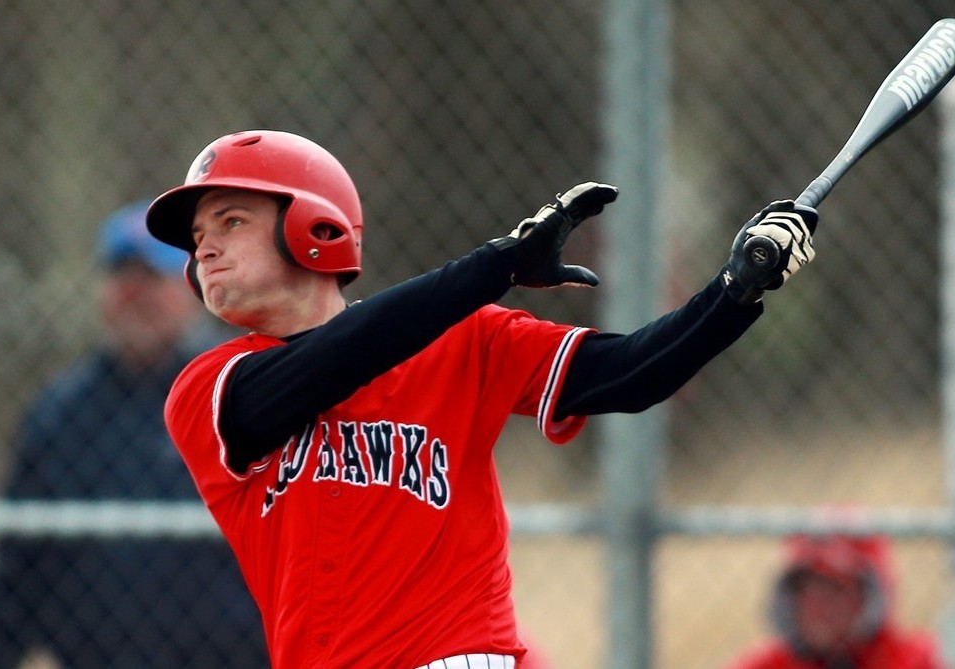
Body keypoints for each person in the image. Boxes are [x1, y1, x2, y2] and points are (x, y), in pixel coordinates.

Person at [143, 129, 817, 669]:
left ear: (313, 228)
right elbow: (337, 357)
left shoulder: (466, 340)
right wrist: (494, 265)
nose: (207, 248)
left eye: (230, 221)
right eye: (199, 237)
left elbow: (631, 372)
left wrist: (734, 291)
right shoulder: (206, 388)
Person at [0, 201, 269, 669]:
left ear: (192, 285)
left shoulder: (241, 387)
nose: (137, 295)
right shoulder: (63, 410)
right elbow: (19, 559)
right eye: (122, 279)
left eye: (152, 280)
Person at [721, 533, 946, 669]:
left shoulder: (922, 661)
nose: (817, 606)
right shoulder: (765, 666)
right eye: (804, 590)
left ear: (869, 597)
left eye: (834, 589)